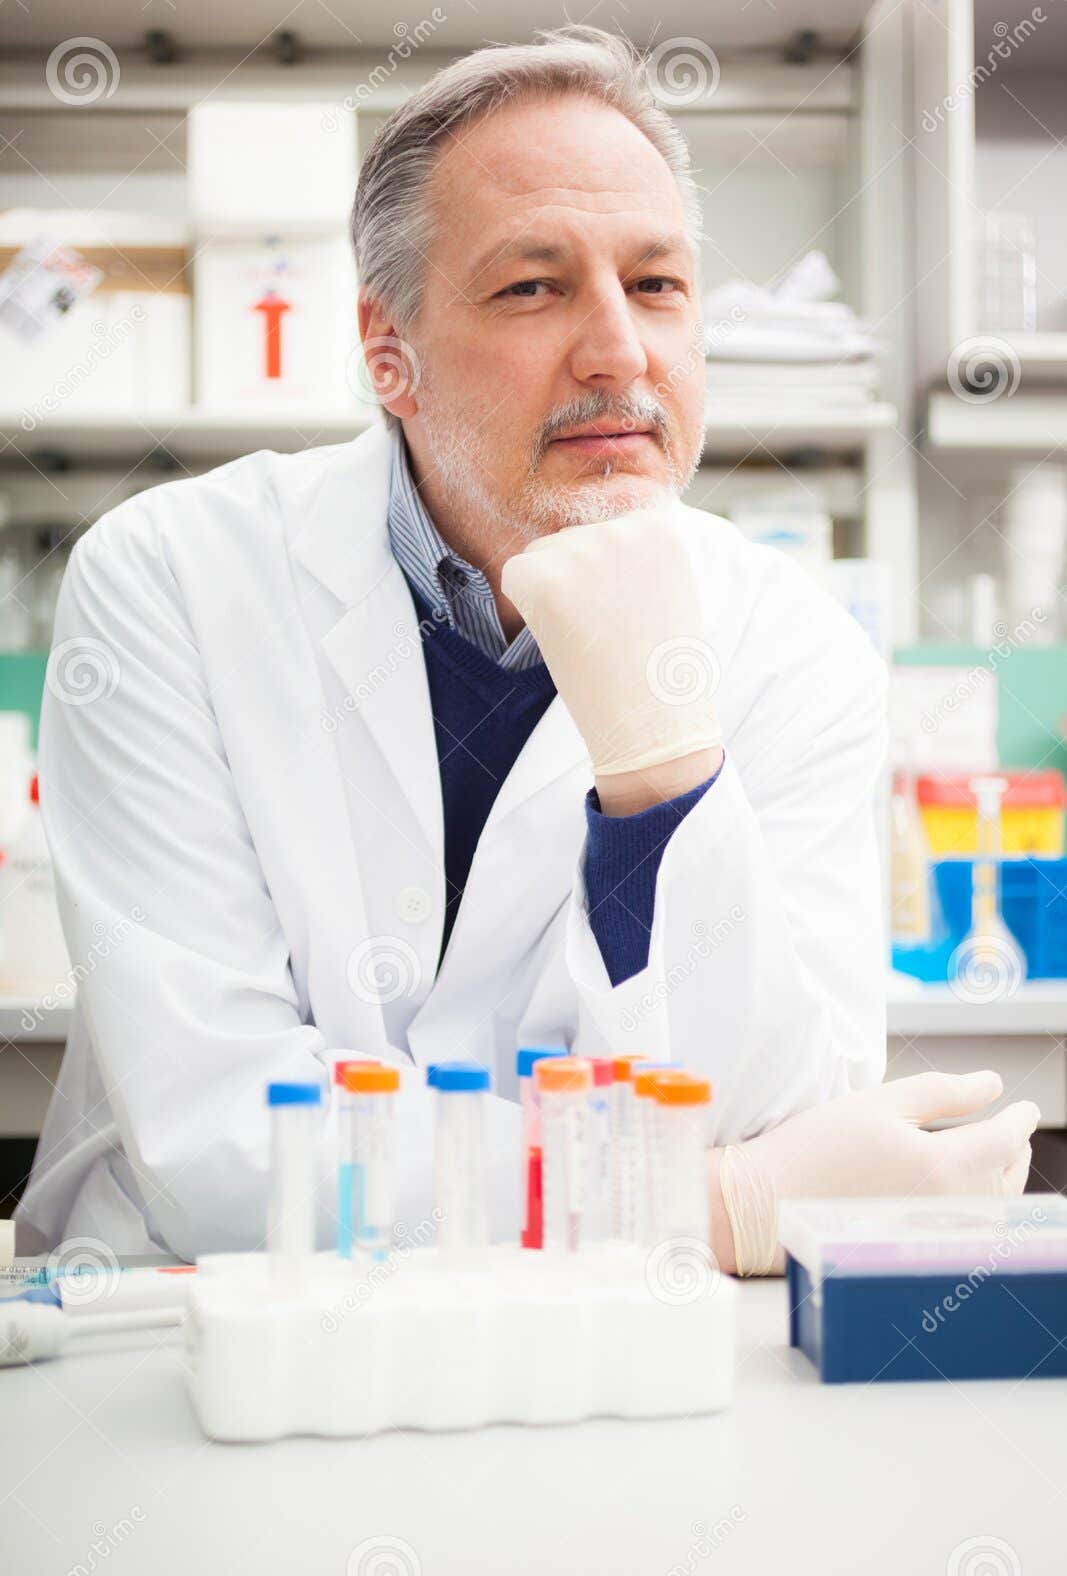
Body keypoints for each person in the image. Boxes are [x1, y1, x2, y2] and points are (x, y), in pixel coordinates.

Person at [17, 27, 1036, 1269]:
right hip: (198, 1324)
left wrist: (662, 758)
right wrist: (710, 1206)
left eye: (655, 285)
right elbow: (223, 1152)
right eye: (531, 288)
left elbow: (775, 1114)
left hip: (618, 1340)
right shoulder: (169, 580)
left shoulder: (796, 648)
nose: (618, 352)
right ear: (387, 351)